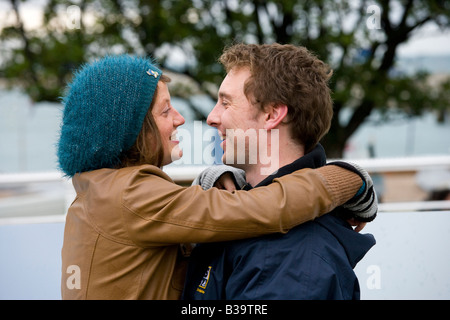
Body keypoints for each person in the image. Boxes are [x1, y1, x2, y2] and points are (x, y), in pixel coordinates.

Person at [58, 54, 373, 300]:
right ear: (135, 130)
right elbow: (268, 207)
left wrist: (209, 183)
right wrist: (351, 179)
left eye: (225, 102)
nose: (189, 119)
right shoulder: (129, 196)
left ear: (272, 114)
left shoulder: (103, 191)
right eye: (166, 111)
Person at [182, 43, 377, 300]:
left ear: (272, 114)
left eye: (225, 103)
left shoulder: (291, 259)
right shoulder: (242, 212)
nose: (211, 117)